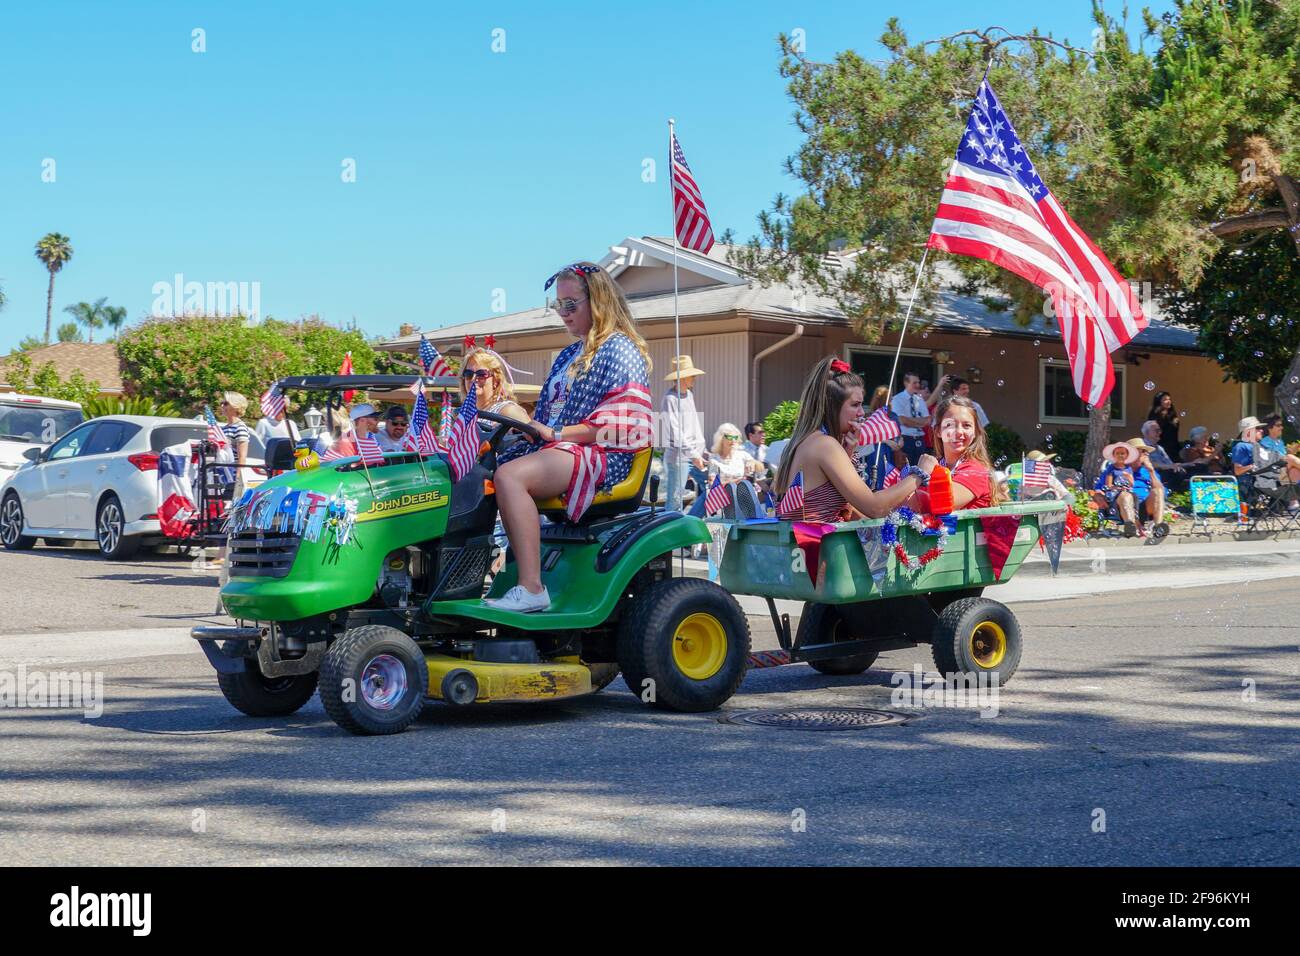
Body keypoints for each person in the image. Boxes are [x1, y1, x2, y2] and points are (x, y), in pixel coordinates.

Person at [488, 261, 651, 613]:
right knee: (477, 473)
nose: (563, 313)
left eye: (571, 304)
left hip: (601, 455)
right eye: (558, 305)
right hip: (559, 449)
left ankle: (531, 588)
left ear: (599, 301)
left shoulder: (620, 349)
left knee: (510, 476)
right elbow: (547, 418)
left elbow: (625, 426)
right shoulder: (568, 355)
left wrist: (558, 433)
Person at [774, 357, 936, 523]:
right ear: (831, 406)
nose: (861, 413)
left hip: (806, 545)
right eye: (855, 405)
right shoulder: (824, 445)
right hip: (815, 546)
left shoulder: (810, 440)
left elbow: (852, 510)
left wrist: (847, 453)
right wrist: (918, 474)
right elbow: (875, 508)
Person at [907, 395, 1003, 512]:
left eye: (966, 425)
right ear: (938, 431)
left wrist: (917, 476)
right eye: (950, 425)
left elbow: (941, 504)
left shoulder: (976, 471)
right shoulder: (936, 465)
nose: (959, 432)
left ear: (975, 432)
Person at [661, 355, 708, 513]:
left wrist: (701, 451)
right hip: (679, 457)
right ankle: (671, 535)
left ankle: (692, 520)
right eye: (691, 375)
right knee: (674, 502)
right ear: (683, 377)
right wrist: (695, 454)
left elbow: (693, 425)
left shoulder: (689, 395)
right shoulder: (670, 399)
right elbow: (675, 431)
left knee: (712, 489)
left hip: (694, 455)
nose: (694, 378)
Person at [461, 344, 530, 440]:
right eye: (468, 374)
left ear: (496, 381)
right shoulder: (464, 415)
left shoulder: (508, 410)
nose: (473, 379)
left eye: (481, 374)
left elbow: (532, 441)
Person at [888, 372, 931, 464]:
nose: (917, 385)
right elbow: (901, 420)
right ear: (906, 383)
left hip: (920, 439)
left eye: (918, 382)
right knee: (905, 468)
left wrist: (909, 421)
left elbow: (927, 420)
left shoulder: (919, 400)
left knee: (920, 467)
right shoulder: (897, 399)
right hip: (906, 439)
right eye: (914, 383)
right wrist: (920, 422)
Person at [1141, 419, 1187, 491]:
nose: (1159, 433)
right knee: (1178, 473)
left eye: (1159, 430)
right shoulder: (1142, 446)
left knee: (1197, 467)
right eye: (1156, 430)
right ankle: (1169, 494)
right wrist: (1167, 466)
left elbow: (1170, 463)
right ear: (1146, 433)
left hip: (1165, 471)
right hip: (1152, 473)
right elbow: (1146, 463)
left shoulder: (1159, 448)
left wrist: (1188, 464)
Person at [219, 392, 251, 496]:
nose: (222, 406)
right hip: (221, 475)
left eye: (226, 403)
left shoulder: (240, 427)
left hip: (232, 477)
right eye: (222, 403)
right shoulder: (223, 429)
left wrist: (237, 480)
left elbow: (242, 457)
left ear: (235, 406)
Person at [1259, 414, 1300, 485]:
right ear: (1269, 427)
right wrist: (1289, 455)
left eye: (1281, 425)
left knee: (1295, 471)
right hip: (1271, 473)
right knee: (1290, 458)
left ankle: (1294, 495)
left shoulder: (1279, 441)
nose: (1282, 427)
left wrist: (1290, 451)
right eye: (1278, 425)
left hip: (1282, 472)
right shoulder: (1265, 442)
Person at [1147, 390, 1181, 462]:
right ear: (1159, 401)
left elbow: (1174, 430)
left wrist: (1175, 423)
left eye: (1169, 399)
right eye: (1165, 399)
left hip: (1173, 446)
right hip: (1160, 445)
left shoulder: (1172, 414)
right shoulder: (1154, 414)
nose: (1168, 401)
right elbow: (1156, 429)